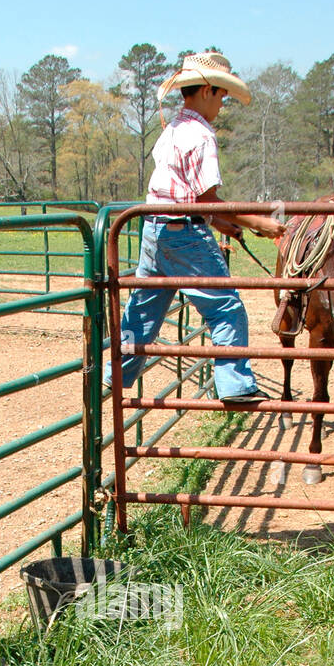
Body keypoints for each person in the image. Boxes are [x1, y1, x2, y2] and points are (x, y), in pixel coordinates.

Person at [106, 51, 285, 403]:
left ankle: (114, 373)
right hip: (184, 234)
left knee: (144, 310)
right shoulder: (202, 136)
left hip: (154, 229)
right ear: (206, 90)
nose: (222, 104)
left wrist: (221, 224)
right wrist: (260, 222)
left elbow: (184, 196)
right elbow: (206, 199)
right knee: (226, 308)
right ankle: (235, 386)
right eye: (221, 96)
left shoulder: (171, 130)